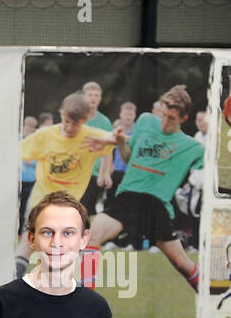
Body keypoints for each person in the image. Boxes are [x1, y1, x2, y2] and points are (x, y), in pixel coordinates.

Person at [85, 85, 204, 293]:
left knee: (183, 265)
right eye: (164, 115)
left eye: (172, 119)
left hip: (156, 207)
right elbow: (129, 157)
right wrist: (122, 143)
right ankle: (86, 302)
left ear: (184, 119)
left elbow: (215, 169)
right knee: (91, 237)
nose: (165, 123)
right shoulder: (146, 121)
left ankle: (211, 300)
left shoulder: (193, 147)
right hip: (127, 197)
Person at [16, 93, 118, 276]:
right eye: (67, 121)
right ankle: (17, 272)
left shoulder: (90, 137)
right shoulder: (45, 136)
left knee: (62, 251)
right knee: (29, 240)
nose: (70, 127)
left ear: (86, 120)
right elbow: (15, 151)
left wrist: (112, 140)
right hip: (42, 200)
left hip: (68, 206)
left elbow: (121, 140)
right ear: (61, 113)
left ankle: (68, 287)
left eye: (76, 124)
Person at [78, 81, 117, 214]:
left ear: (100, 98)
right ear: (83, 97)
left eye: (96, 95)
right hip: (75, 172)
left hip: (94, 174)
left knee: (86, 209)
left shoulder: (105, 122)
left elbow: (109, 150)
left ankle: (89, 232)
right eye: (90, 95)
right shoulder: (76, 118)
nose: (93, 98)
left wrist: (105, 173)